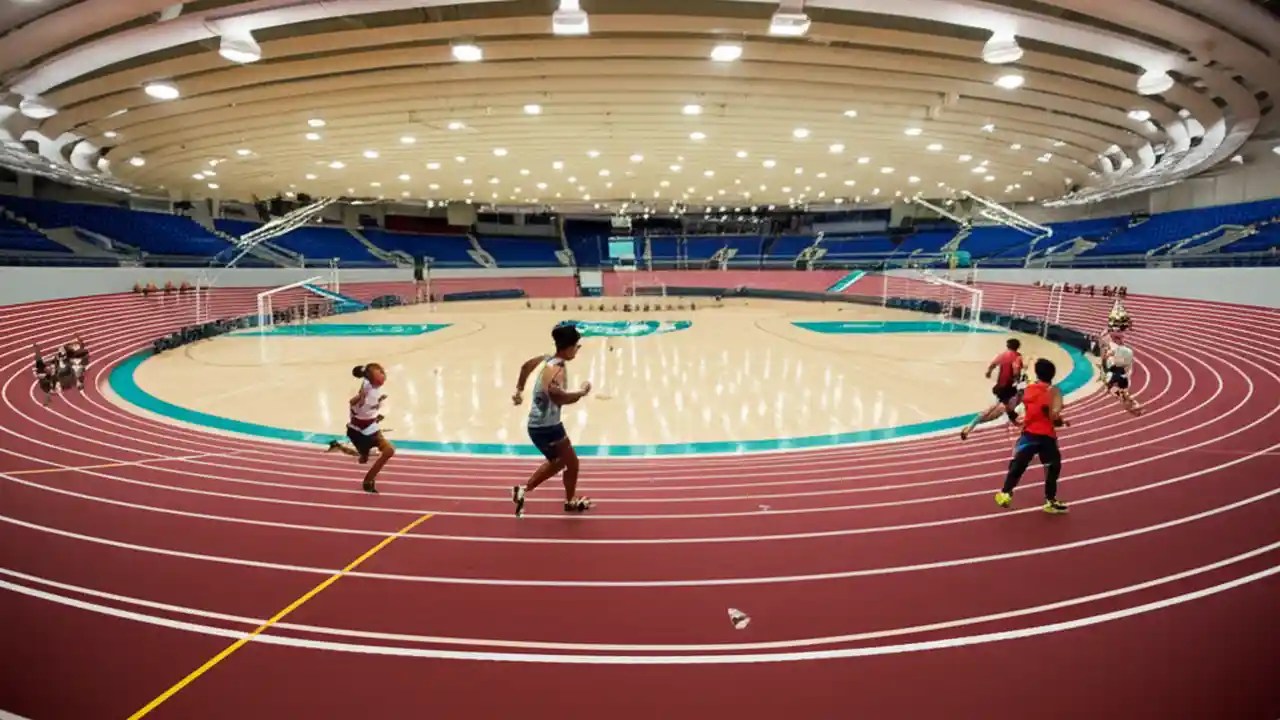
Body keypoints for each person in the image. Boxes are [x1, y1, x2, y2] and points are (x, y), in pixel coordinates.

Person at [510, 323, 593, 517]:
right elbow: (558, 396)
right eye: (577, 346)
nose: (577, 350)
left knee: (558, 462)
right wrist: (581, 392)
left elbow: (525, 367)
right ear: (569, 347)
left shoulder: (545, 359)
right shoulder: (558, 369)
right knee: (571, 463)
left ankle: (523, 490)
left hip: (536, 426)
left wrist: (519, 391)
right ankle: (569, 502)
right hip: (549, 427)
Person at [995, 358, 1069, 514]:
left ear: (1037, 373)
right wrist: (1063, 422)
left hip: (1029, 434)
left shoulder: (1028, 389)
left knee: (1018, 465)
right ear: (1052, 374)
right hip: (1046, 437)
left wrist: (1016, 416)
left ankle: (1005, 493)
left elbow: (1012, 405)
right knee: (1052, 468)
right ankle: (1050, 501)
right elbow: (1053, 417)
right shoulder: (1053, 393)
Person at [326, 363, 396, 493]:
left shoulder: (369, 384)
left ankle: (368, 481)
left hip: (371, 429)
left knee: (389, 451)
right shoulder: (363, 398)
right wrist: (363, 400)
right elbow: (355, 404)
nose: (382, 375)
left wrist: (377, 414)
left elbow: (360, 374)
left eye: (381, 372)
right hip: (358, 433)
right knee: (362, 458)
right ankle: (339, 446)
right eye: (379, 374)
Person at [960, 338, 1024, 440]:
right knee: (995, 410)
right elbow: (1016, 371)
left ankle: (1016, 422)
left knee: (1005, 406)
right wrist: (1018, 380)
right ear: (1018, 347)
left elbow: (992, 364)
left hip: (1000, 387)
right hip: (1008, 387)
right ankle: (970, 426)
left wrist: (988, 373)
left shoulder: (1002, 355)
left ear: (1007, 346)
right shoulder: (1018, 357)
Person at [1102, 339, 1144, 416]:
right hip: (1117, 377)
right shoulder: (1111, 357)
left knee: (1123, 396)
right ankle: (1135, 408)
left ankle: (1135, 407)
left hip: (1117, 376)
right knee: (1123, 396)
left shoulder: (1111, 357)